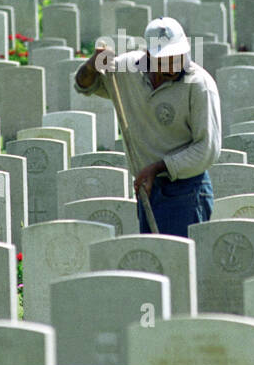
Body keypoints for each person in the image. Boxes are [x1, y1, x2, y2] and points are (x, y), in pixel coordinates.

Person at [74, 16, 222, 237]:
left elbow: (207, 149)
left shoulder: (200, 85)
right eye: (165, 58)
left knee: (180, 266)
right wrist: (93, 64)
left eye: (177, 56)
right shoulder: (128, 69)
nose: (173, 63)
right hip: (147, 190)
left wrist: (157, 168)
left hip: (187, 191)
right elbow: (83, 85)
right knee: (154, 263)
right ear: (149, 56)